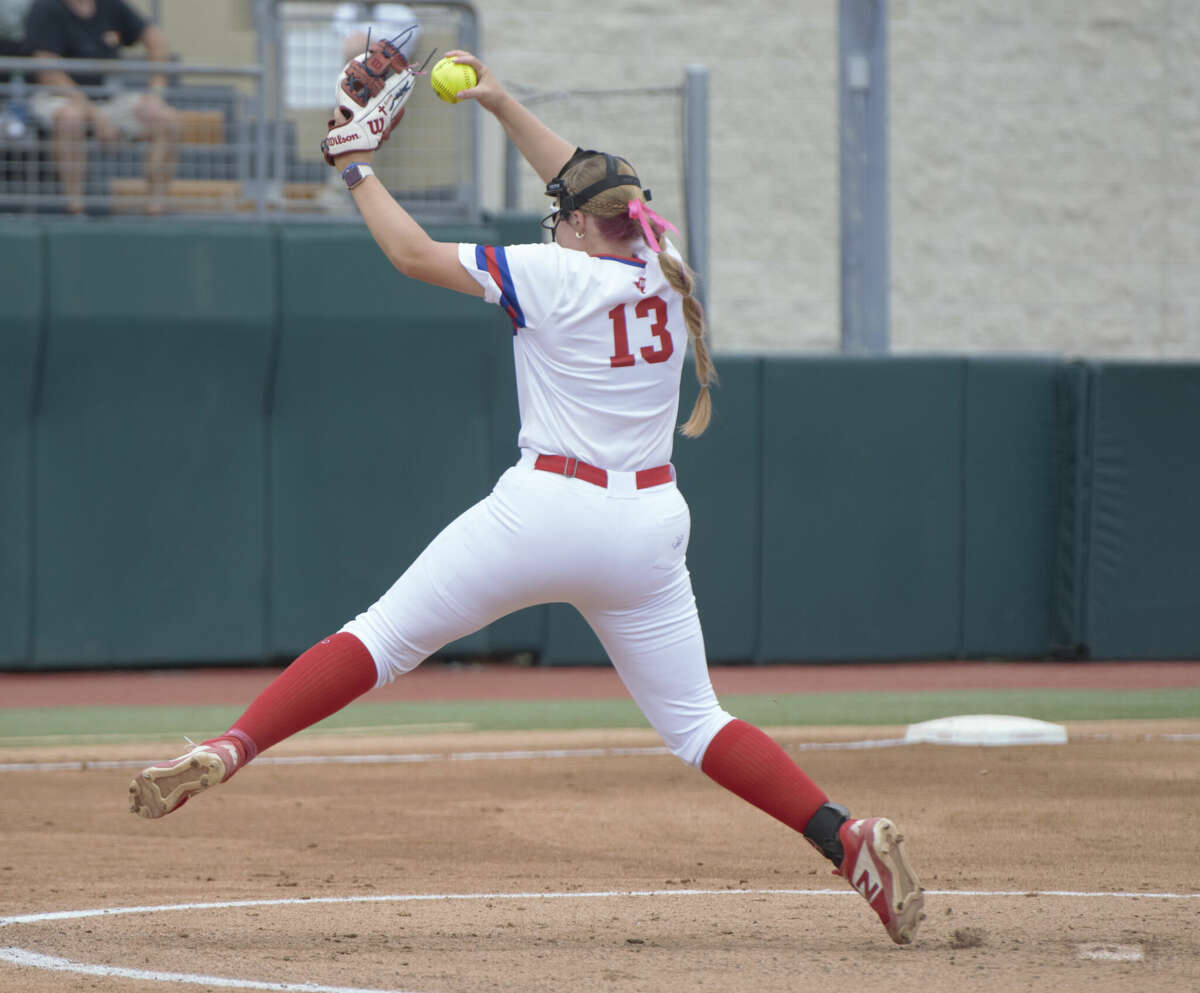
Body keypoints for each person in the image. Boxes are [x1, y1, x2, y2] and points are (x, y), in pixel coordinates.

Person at [128, 49, 926, 946]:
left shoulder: (555, 274)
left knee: (382, 637)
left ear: (582, 229)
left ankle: (232, 746)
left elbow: (409, 252)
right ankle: (842, 835)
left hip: (546, 510)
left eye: (561, 216)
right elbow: (587, 184)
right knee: (700, 722)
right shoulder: (667, 264)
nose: (554, 222)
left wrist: (355, 169)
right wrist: (500, 100)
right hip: (649, 528)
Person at [24, 0, 180, 214]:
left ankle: (155, 209)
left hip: (109, 98)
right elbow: (48, 72)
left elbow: (157, 42)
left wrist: (156, 94)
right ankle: (74, 209)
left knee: (166, 119)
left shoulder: (112, 5)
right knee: (70, 118)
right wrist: (96, 116)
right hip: (59, 96)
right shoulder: (46, 8)